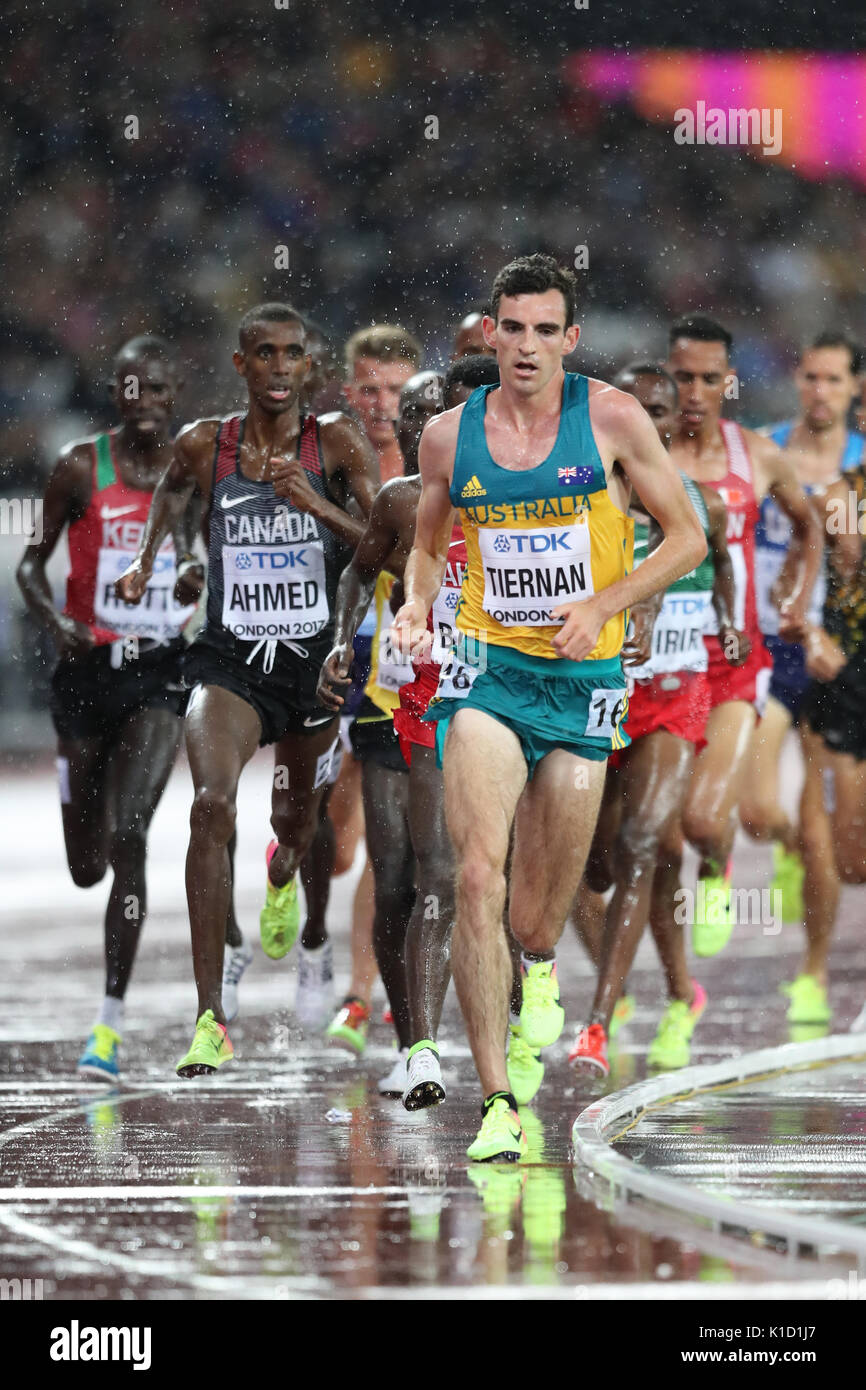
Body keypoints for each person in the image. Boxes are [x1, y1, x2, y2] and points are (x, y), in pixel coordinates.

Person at [393, 254, 706, 1162]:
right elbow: (426, 543)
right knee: (475, 877)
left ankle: (538, 964)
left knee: (535, 916)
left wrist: (604, 606)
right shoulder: (449, 437)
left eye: (544, 330)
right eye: (511, 328)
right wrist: (417, 604)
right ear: (489, 334)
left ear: (570, 340)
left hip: (584, 686)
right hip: (487, 675)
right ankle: (497, 1102)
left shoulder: (609, 417)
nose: (525, 346)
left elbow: (686, 537)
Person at [115, 303, 379, 1076]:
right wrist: (144, 559)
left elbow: (381, 545)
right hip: (228, 660)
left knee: (296, 827)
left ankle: (279, 873)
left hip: (310, 668)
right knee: (209, 805)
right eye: (262, 354)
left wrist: (316, 504)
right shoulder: (207, 444)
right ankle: (210, 1018)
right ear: (241, 365)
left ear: (307, 365)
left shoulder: (333, 442)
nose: (276, 367)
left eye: (291, 355)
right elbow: (168, 501)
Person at [16, 335, 201, 1082]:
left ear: (172, 396)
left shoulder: (189, 475)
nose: (147, 404)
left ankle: (110, 1024)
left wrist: (189, 577)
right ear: (117, 393)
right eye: (133, 389)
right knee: (87, 866)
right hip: (85, 677)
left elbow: (192, 551)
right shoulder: (76, 467)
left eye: (159, 391)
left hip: (158, 671)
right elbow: (32, 560)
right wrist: (56, 622)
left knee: (131, 836)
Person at [569, 363, 737, 1074]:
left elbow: (721, 563)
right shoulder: (583, 503)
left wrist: (725, 621)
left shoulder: (704, 505)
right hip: (602, 701)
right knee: (599, 868)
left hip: (675, 698)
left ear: (674, 421)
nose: (651, 422)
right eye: (636, 409)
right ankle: (680, 992)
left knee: (644, 843)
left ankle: (598, 1025)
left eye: (661, 410)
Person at [668, 315, 822, 958]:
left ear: (729, 382)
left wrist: (792, 591)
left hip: (734, 662)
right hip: (657, 662)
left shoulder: (755, 455)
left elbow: (808, 526)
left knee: (706, 819)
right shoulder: (643, 452)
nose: (695, 392)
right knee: (656, 833)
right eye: (683, 378)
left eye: (709, 379)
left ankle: (716, 866)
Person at [318, 369, 446, 1095]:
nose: (417, 429)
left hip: (484, 702)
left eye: (433, 416)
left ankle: (522, 994)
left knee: (461, 873)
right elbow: (358, 573)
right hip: (391, 699)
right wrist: (343, 639)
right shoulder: (396, 499)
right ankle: (415, 1040)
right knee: (397, 875)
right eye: (410, 419)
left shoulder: (501, 498)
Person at [741, 333, 864, 1024]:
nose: (821, 391)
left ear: (854, 389)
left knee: (847, 852)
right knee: (764, 815)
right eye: (811, 377)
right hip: (766, 650)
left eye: (835, 380)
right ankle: (812, 969)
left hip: (838, 657)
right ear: (798, 381)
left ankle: (813, 963)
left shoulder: (862, 468)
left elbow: (855, 568)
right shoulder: (759, 449)